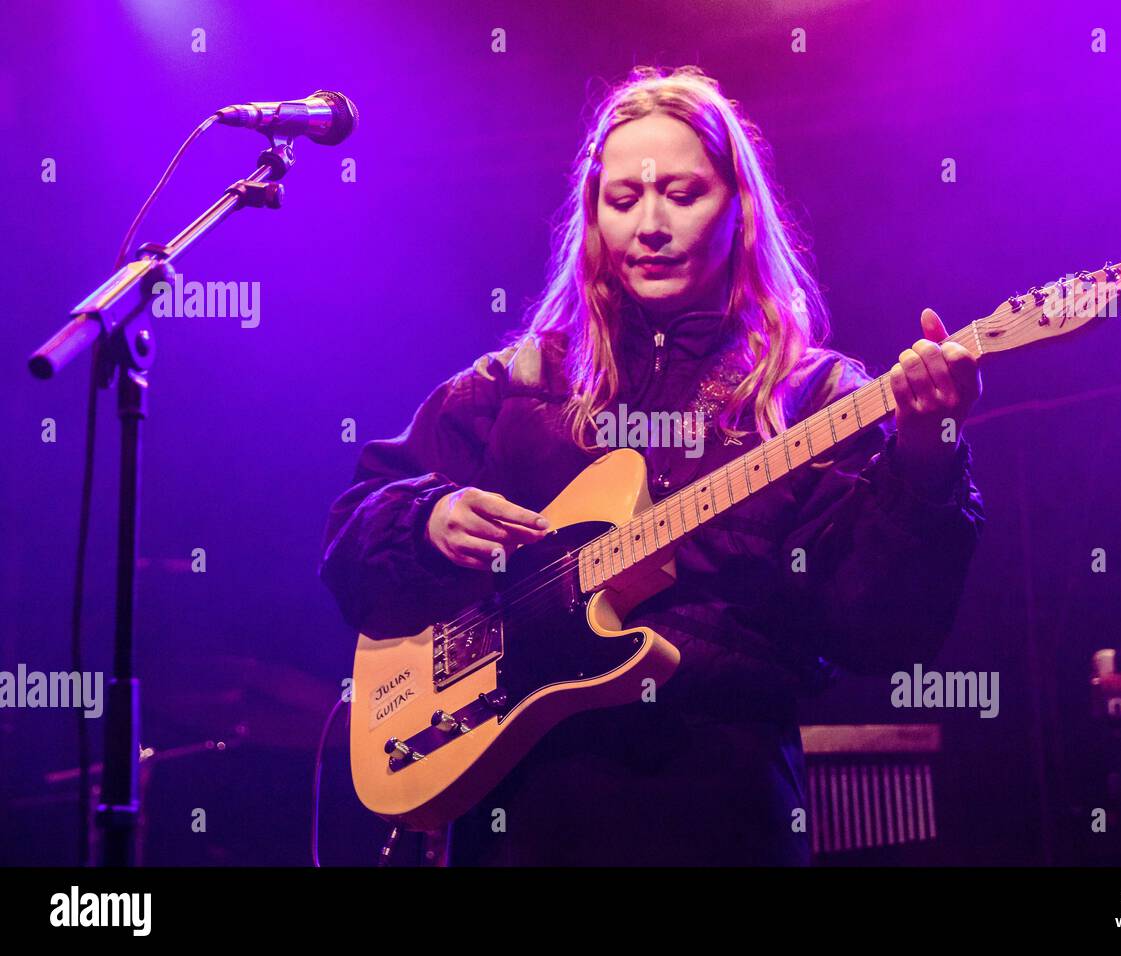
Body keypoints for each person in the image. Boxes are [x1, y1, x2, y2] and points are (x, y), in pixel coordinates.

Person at [320, 65, 986, 866]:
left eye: (682, 192)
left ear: (738, 209)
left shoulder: (814, 396)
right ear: (594, 218)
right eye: (625, 200)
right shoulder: (522, 383)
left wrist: (926, 454)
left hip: (721, 812)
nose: (652, 226)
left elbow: (883, 632)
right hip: (523, 814)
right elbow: (352, 547)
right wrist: (426, 521)